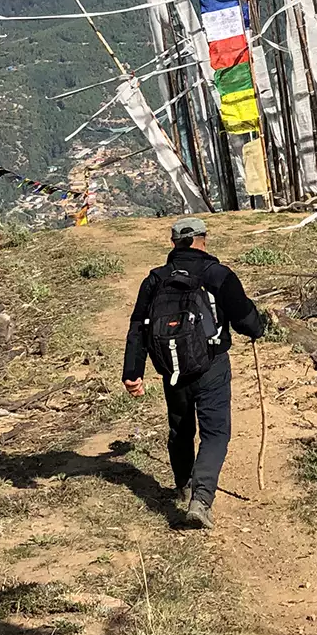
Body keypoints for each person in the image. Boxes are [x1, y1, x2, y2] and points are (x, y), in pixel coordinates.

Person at [122, 217, 265, 529]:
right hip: (212, 364)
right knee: (215, 432)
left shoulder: (155, 279)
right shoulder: (218, 274)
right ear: (204, 239)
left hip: (172, 369)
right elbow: (246, 321)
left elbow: (138, 327)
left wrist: (133, 372)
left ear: (173, 243)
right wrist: (259, 326)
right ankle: (201, 498)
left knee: (180, 430)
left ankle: (184, 484)